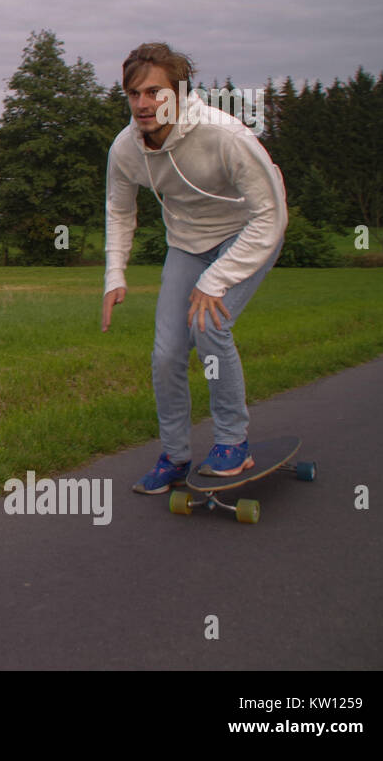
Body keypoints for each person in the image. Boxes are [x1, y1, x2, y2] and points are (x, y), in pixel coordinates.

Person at [99, 43, 287, 494]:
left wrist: (217, 279)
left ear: (180, 93)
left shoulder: (225, 136)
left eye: (154, 92)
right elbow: (119, 211)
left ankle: (232, 443)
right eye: (133, 93)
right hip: (186, 244)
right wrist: (114, 275)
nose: (143, 104)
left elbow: (271, 215)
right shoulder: (126, 149)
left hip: (247, 236)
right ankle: (175, 456)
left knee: (209, 328)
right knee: (166, 353)